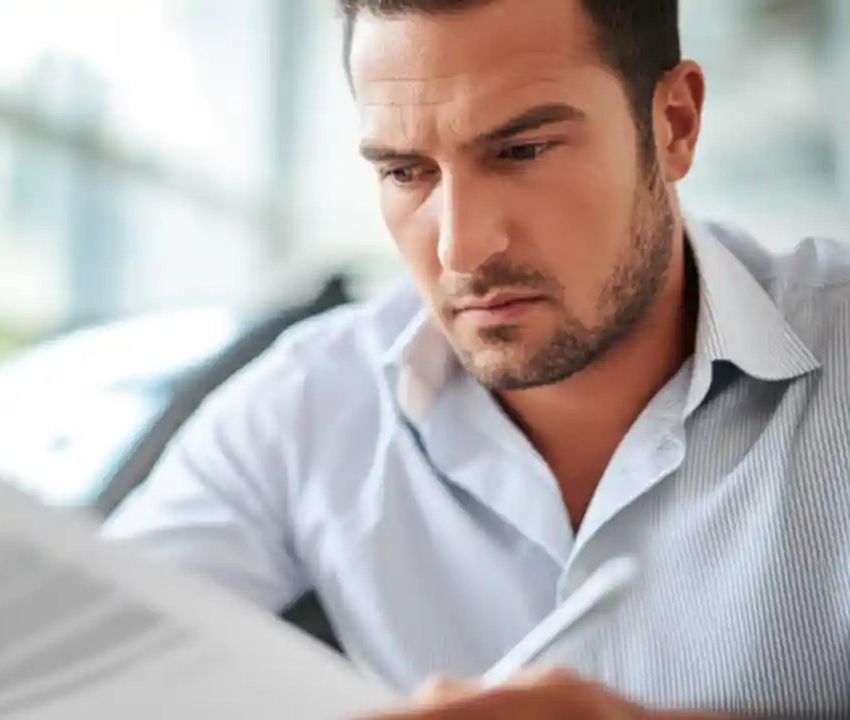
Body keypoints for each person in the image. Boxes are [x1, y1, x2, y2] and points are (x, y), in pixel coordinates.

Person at [104, 0, 850, 717]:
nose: (460, 248)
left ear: (674, 125)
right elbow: (72, 669)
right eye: (405, 172)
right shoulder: (302, 408)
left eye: (522, 151)